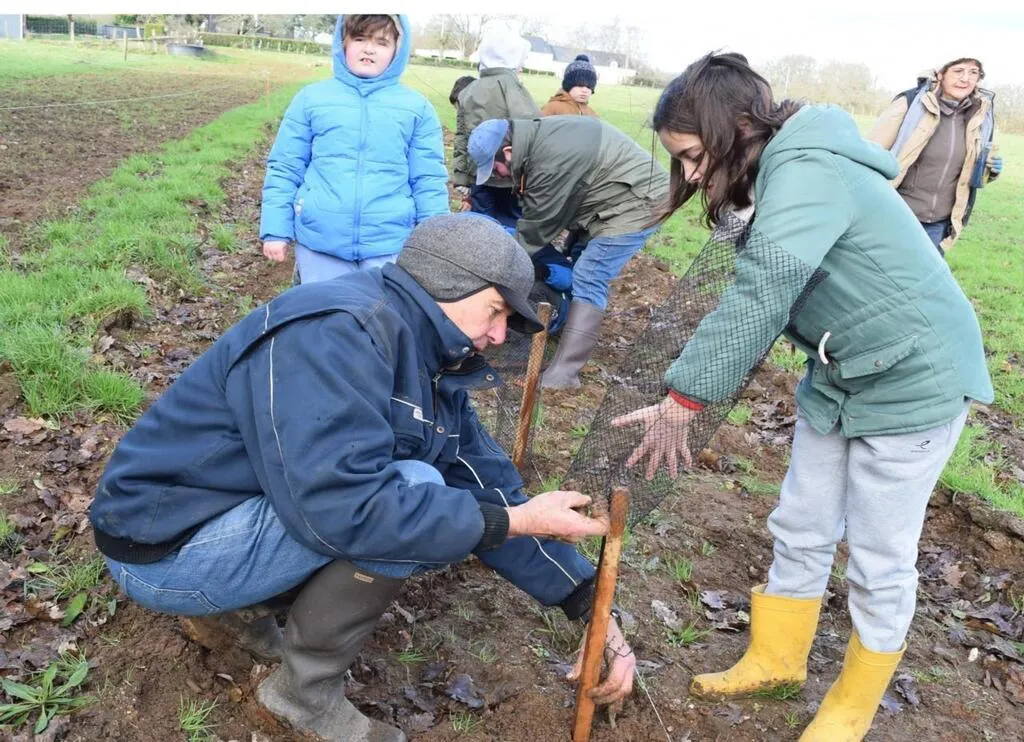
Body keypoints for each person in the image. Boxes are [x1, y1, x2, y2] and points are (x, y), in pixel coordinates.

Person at [89, 214, 635, 742]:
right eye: (495, 311)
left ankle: (239, 611)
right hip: (165, 551)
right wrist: (507, 522)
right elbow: (342, 509)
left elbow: (482, 477)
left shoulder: (422, 350)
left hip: (217, 516)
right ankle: (303, 696)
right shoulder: (334, 334)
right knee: (414, 493)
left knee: (429, 492)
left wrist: (587, 601)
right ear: (448, 284)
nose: (498, 336)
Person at [612, 53, 992, 742]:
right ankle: (776, 660)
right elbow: (740, 287)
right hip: (843, 368)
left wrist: (685, 401)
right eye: (682, 162)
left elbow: (763, 294)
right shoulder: (773, 173)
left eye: (696, 156)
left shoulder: (808, 168)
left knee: (879, 555)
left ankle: (851, 707)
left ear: (738, 127)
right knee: (802, 521)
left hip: (916, 377)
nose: (692, 176)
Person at [468, 116, 669, 388]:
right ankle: (566, 324)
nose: (498, 176)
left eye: (497, 169)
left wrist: (486, 274)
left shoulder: (550, 161)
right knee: (574, 256)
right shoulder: (536, 143)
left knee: (589, 274)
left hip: (639, 203)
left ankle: (565, 373)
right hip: (606, 196)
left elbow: (533, 233)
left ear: (508, 153)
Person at [259, 15, 449, 283]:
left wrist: (436, 242)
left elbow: (428, 179)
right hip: (319, 242)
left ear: (398, 50)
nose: (369, 49)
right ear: (343, 43)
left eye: (381, 42)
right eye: (360, 39)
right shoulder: (310, 99)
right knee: (324, 319)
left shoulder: (417, 108)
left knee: (382, 321)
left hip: (390, 245)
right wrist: (276, 230)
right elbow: (285, 167)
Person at [867, 57, 1003, 256]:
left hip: (938, 225)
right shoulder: (911, 104)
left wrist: (990, 170)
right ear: (940, 74)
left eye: (973, 72)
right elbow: (870, 153)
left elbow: (972, 168)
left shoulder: (981, 115)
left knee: (919, 285)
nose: (966, 79)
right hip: (894, 215)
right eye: (958, 71)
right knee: (876, 280)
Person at [451, 20, 539, 226]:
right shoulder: (514, 89)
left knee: (481, 226)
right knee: (511, 226)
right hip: (510, 177)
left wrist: (462, 177)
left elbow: (461, 137)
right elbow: (533, 131)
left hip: (478, 174)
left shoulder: (468, 91)